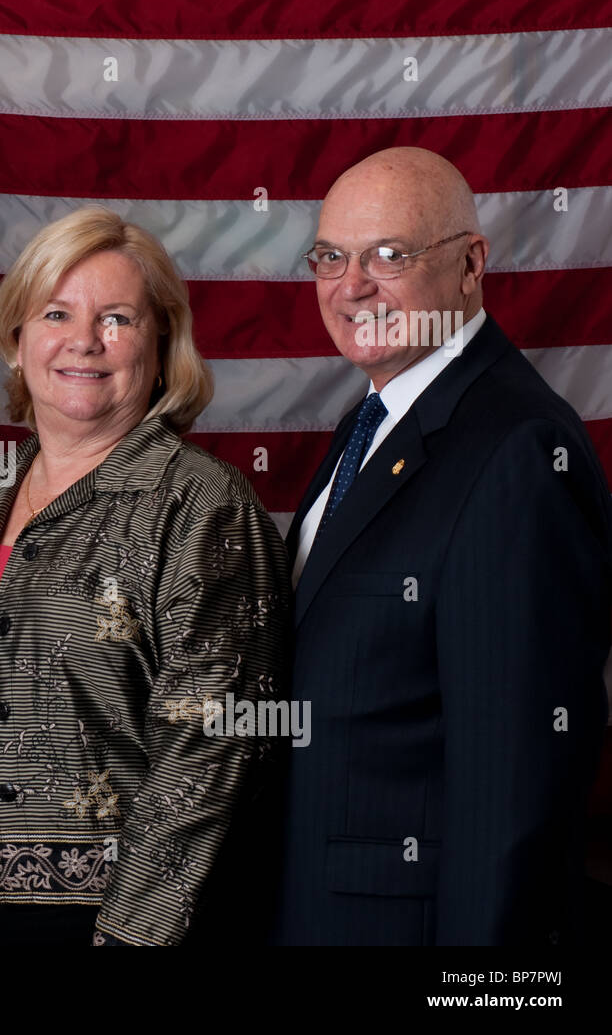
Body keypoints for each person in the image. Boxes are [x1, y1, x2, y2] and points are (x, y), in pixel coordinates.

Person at [0, 206, 291, 946]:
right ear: (17, 341)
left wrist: (130, 934)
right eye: (56, 312)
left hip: (105, 914)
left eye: (117, 317)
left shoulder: (201, 505)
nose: (84, 340)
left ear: (162, 344)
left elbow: (210, 754)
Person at [276, 146, 612, 945]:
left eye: (390, 255)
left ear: (470, 264)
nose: (352, 286)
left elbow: (517, 787)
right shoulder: (372, 424)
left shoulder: (517, 452)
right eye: (331, 256)